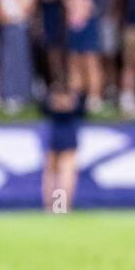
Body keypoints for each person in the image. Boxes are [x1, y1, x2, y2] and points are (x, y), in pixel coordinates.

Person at [41, 84, 85, 212]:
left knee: (52, 173)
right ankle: (61, 206)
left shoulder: (52, 102)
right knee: (66, 173)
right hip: (68, 135)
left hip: (55, 136)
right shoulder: (73, 102)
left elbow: (43, 108)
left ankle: (52, 206)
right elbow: (82, 110)